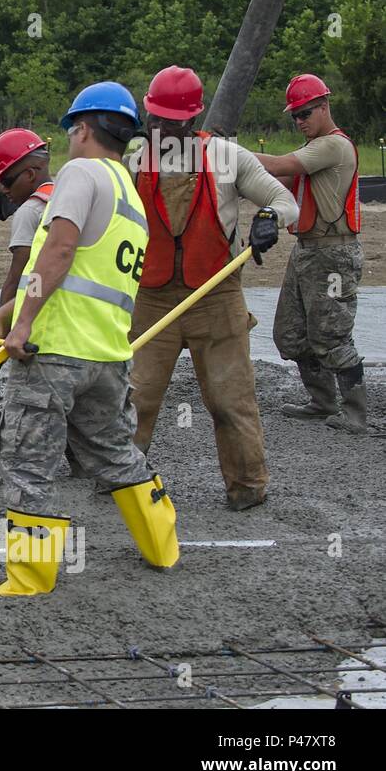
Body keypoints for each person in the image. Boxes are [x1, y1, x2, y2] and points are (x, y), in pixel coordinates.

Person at [0, 82, 178, 596]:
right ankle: (163, 547)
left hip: (54, 354)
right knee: (114, 454)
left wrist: (21, 326)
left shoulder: (79, 174)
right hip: (106, 355)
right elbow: (79, 273)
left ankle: (30, 577)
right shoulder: (128, 192)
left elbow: (59, 253)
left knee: (28, 463)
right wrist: (3, 314)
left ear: (82, 128)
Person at [128, 66, 297, 510]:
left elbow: (285, 201)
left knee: (230, 400)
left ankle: (248, 486)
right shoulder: (132, 161)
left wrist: (267, 220)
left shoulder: (227, 157)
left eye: (171, 120)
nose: (161, 127)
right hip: (151, 298)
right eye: (156, 119)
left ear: (193, 119)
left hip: (216, 297)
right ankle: (120, 478)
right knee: (136, 397)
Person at [255, 74, 367, 434]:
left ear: (324, 107)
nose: (300, 121)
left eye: (305, 113)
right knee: (289, 334)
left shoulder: (332, 147)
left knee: (331, 336)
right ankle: (322, 402)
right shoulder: (314, 151)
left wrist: (225, 153)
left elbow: (277, 167)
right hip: (307, 252)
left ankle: (355, 414)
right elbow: (273, 184)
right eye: (294, 116)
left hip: (334, 256)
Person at [0, 128, 54, 479]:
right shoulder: (67, 194)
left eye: (6, 181)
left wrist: (1, 327)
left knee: (2, 387)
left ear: (31, 174)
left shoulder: (31, 212)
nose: (2, 190)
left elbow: (16, 279)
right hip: (69, 310)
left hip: (31, 312)